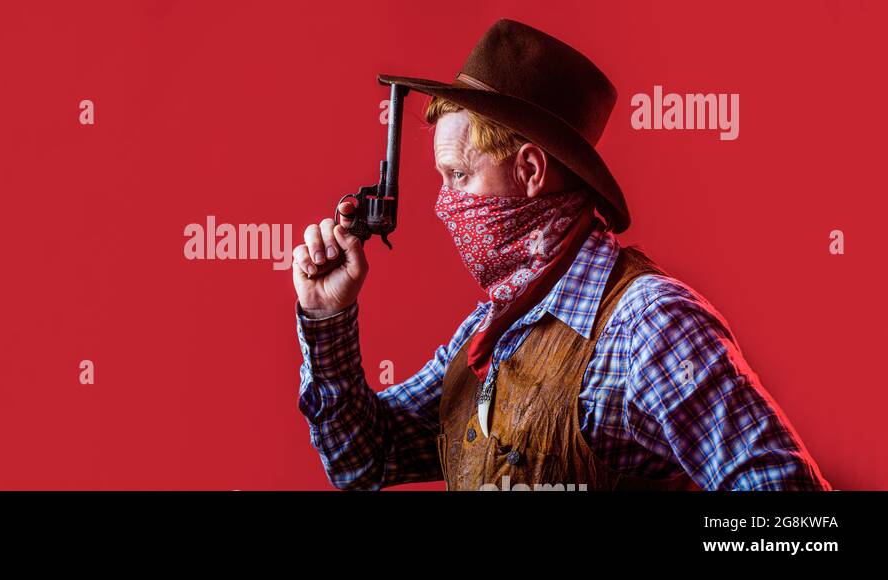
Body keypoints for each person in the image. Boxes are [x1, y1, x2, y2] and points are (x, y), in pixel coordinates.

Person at [291, 19, 829, 491]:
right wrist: (326, 316)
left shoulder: (649, 324)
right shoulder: (493, 328)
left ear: (529, 171)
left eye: (458, 176)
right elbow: (362, 461)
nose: (442, 206)